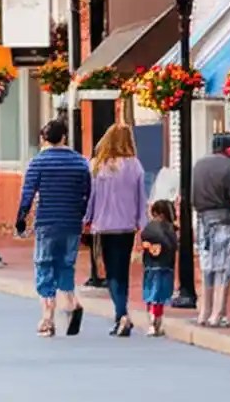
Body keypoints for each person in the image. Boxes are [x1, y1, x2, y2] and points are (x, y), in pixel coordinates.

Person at [15, 119, 92, 338]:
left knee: (44, 265)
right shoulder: (80, 162)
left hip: (47, 221)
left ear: (44, 139)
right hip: (71, 222)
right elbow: (87, 192)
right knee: (66, 264)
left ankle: (48, 317)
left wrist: (21, 217)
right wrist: (81, 214)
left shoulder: (38, 162)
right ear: (64, 137)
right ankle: (72, 301)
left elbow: (28, 193)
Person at [83, 123, 147, 337]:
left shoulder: (97, 165)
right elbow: (141, 198)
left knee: (110, 273)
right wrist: (142, 224)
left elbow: (91, 198)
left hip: (103, 226)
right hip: (127, 226)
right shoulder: (135, 166)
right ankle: (122, 313)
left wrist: (87, 219)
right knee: (122, 271)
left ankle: (121, 314)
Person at [190, 149, 230, 327]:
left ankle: (204, 312)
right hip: (224, 218)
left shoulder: (198, 165)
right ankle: (217, 313)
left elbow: (191, 196)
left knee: (207, 267)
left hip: (202, 219)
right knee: (223, 268)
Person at [140, 199, 177, 337]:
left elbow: (143, 240)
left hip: (150, 265)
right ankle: (157, 320)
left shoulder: (148, 228)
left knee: (150, 293)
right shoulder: (170, 228)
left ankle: (151, 321)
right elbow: (173, 246)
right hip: (166, 266)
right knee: (161, 295)